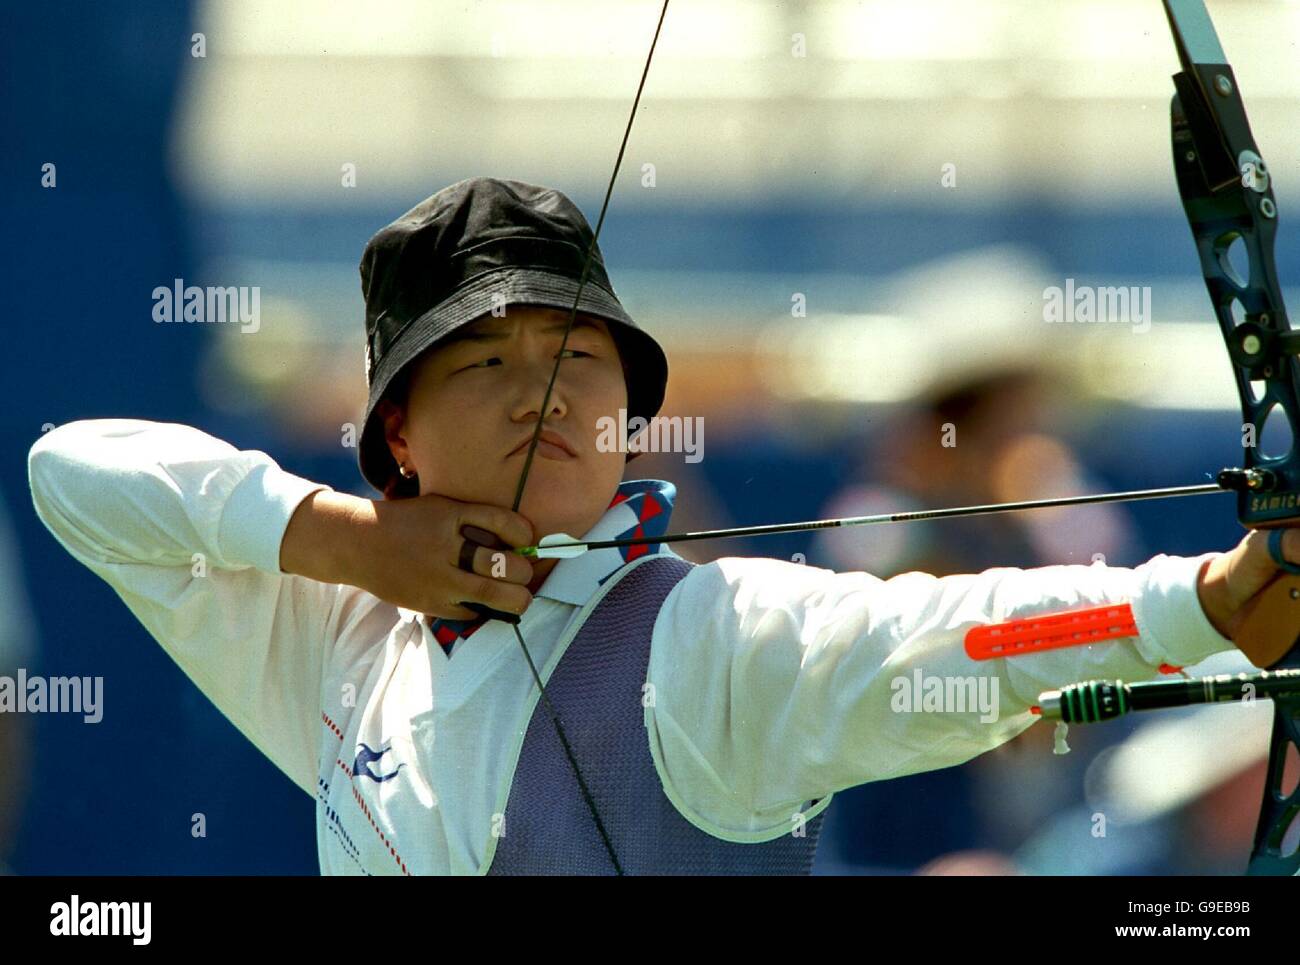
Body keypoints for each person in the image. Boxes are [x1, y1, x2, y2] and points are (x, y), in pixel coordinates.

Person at [26, 177, 1295, 875]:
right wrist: (349, 543)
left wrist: (1204, 604)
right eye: (483, 364)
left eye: (582, 355)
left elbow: (954, 636)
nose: (544, 392)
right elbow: (72, 472)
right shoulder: (341, 640)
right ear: (396, 435)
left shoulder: (707, 641)